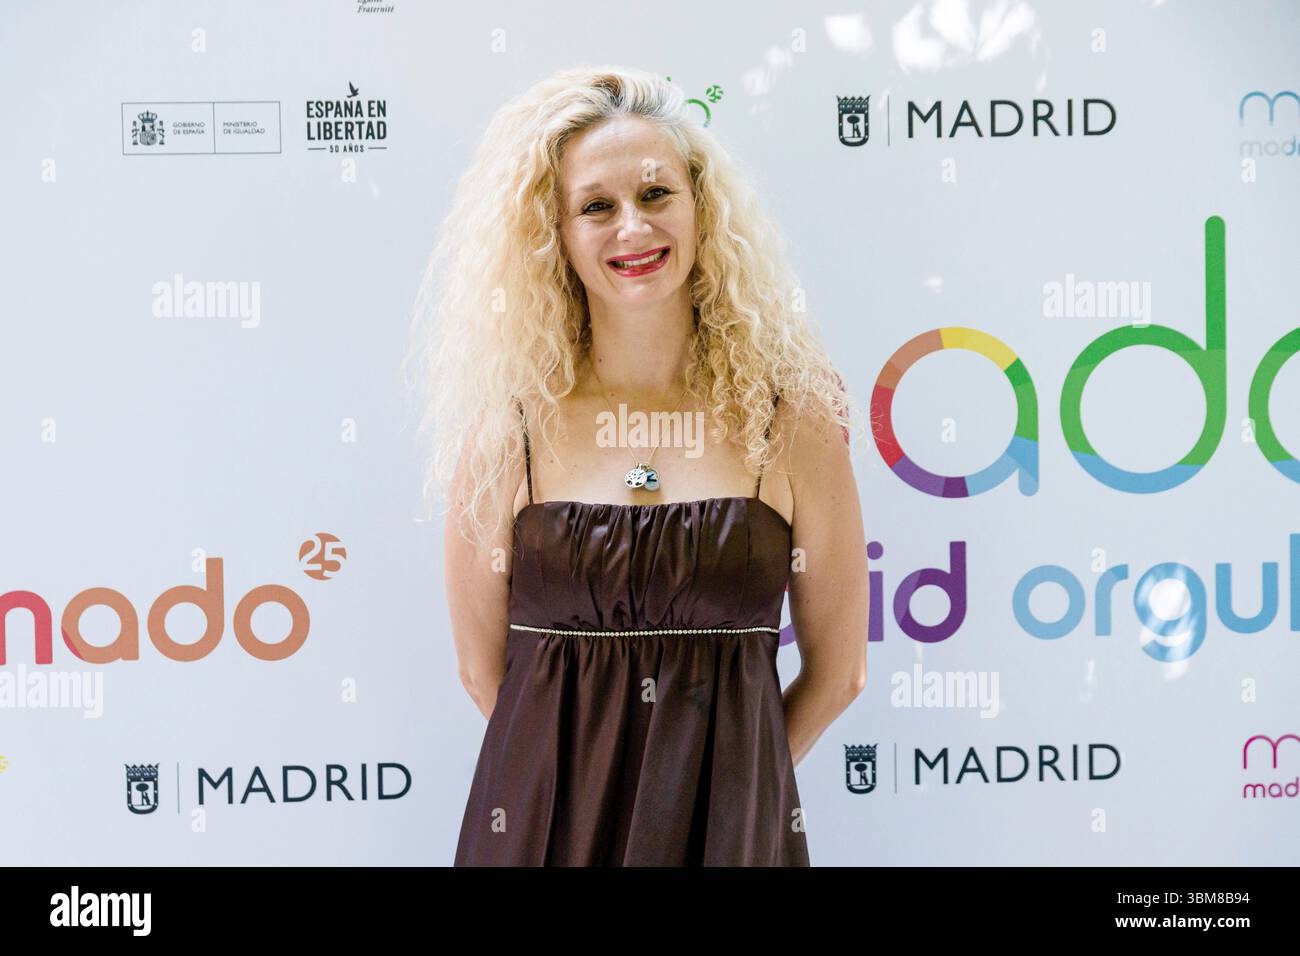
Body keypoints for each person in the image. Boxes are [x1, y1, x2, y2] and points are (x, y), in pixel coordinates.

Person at [406, 65, 869, 865]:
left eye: (656, 195)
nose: (632, 227)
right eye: (596, 207)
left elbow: (840, 675)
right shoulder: (509, 428)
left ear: (701, 205)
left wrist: (729, 795)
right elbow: (486, 676)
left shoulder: (789, 419)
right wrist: (580, 795)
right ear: (555, 235)